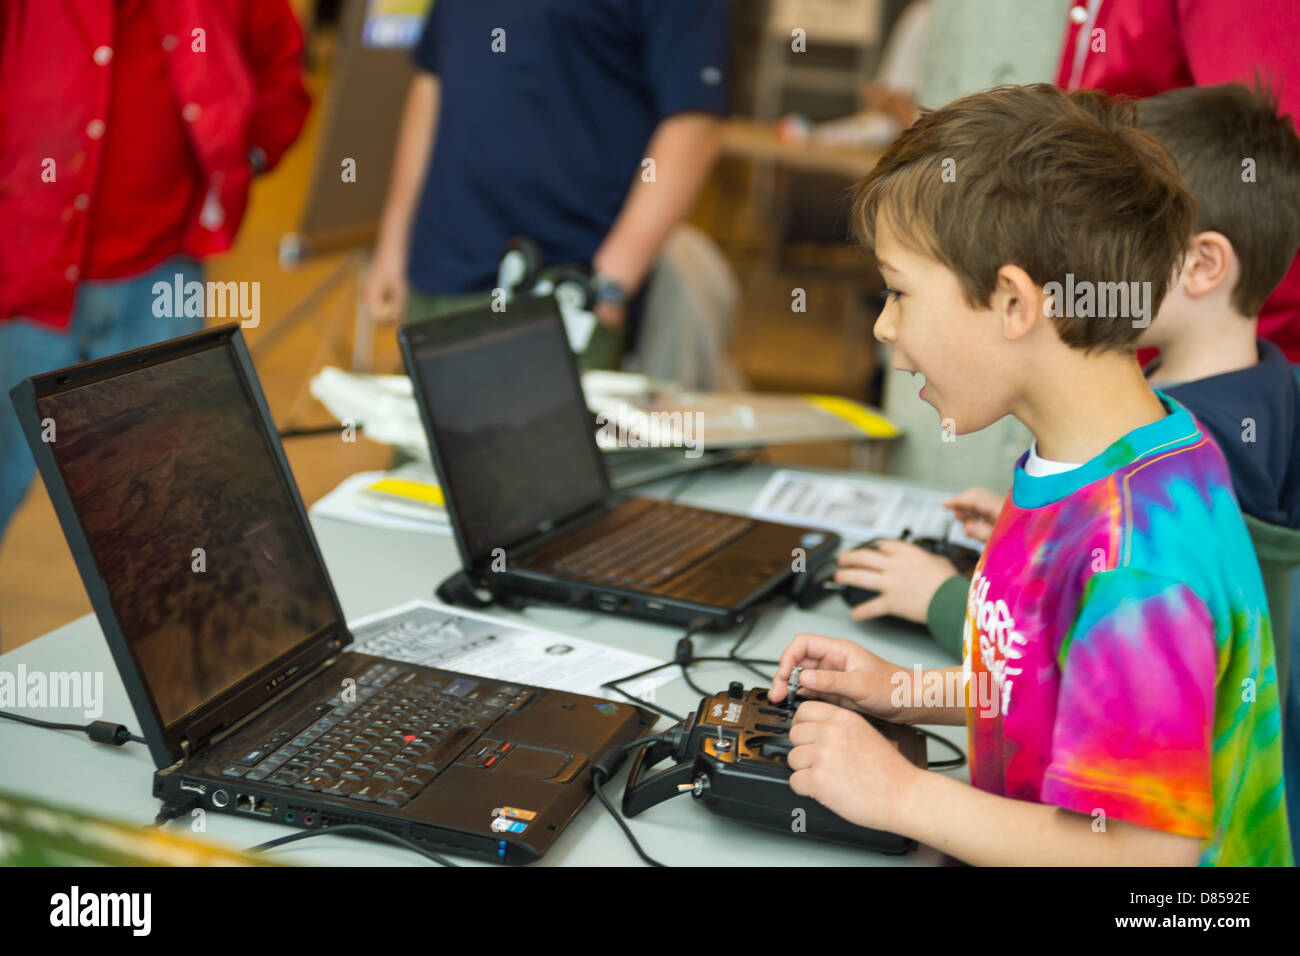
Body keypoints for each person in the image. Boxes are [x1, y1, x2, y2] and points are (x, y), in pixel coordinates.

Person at [768, 83, 1291, 865]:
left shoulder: (1140, 556)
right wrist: (902, 689)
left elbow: (1141, 854)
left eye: (900, 292)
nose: (885, 328)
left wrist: (901, 793)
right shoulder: (1082, 461)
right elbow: (1045, 681)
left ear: (1014, 302)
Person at [0, 0, 311, 543]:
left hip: (164, 274)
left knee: (171, 508)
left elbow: (281, 70)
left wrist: (239, 158)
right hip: (24, 275)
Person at [363, 0, 729, 370]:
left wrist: (609, 283)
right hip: (437, 274)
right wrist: (394, 242)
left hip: (558, 289)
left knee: (539, 426)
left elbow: (694, 120)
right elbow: (432, 81)